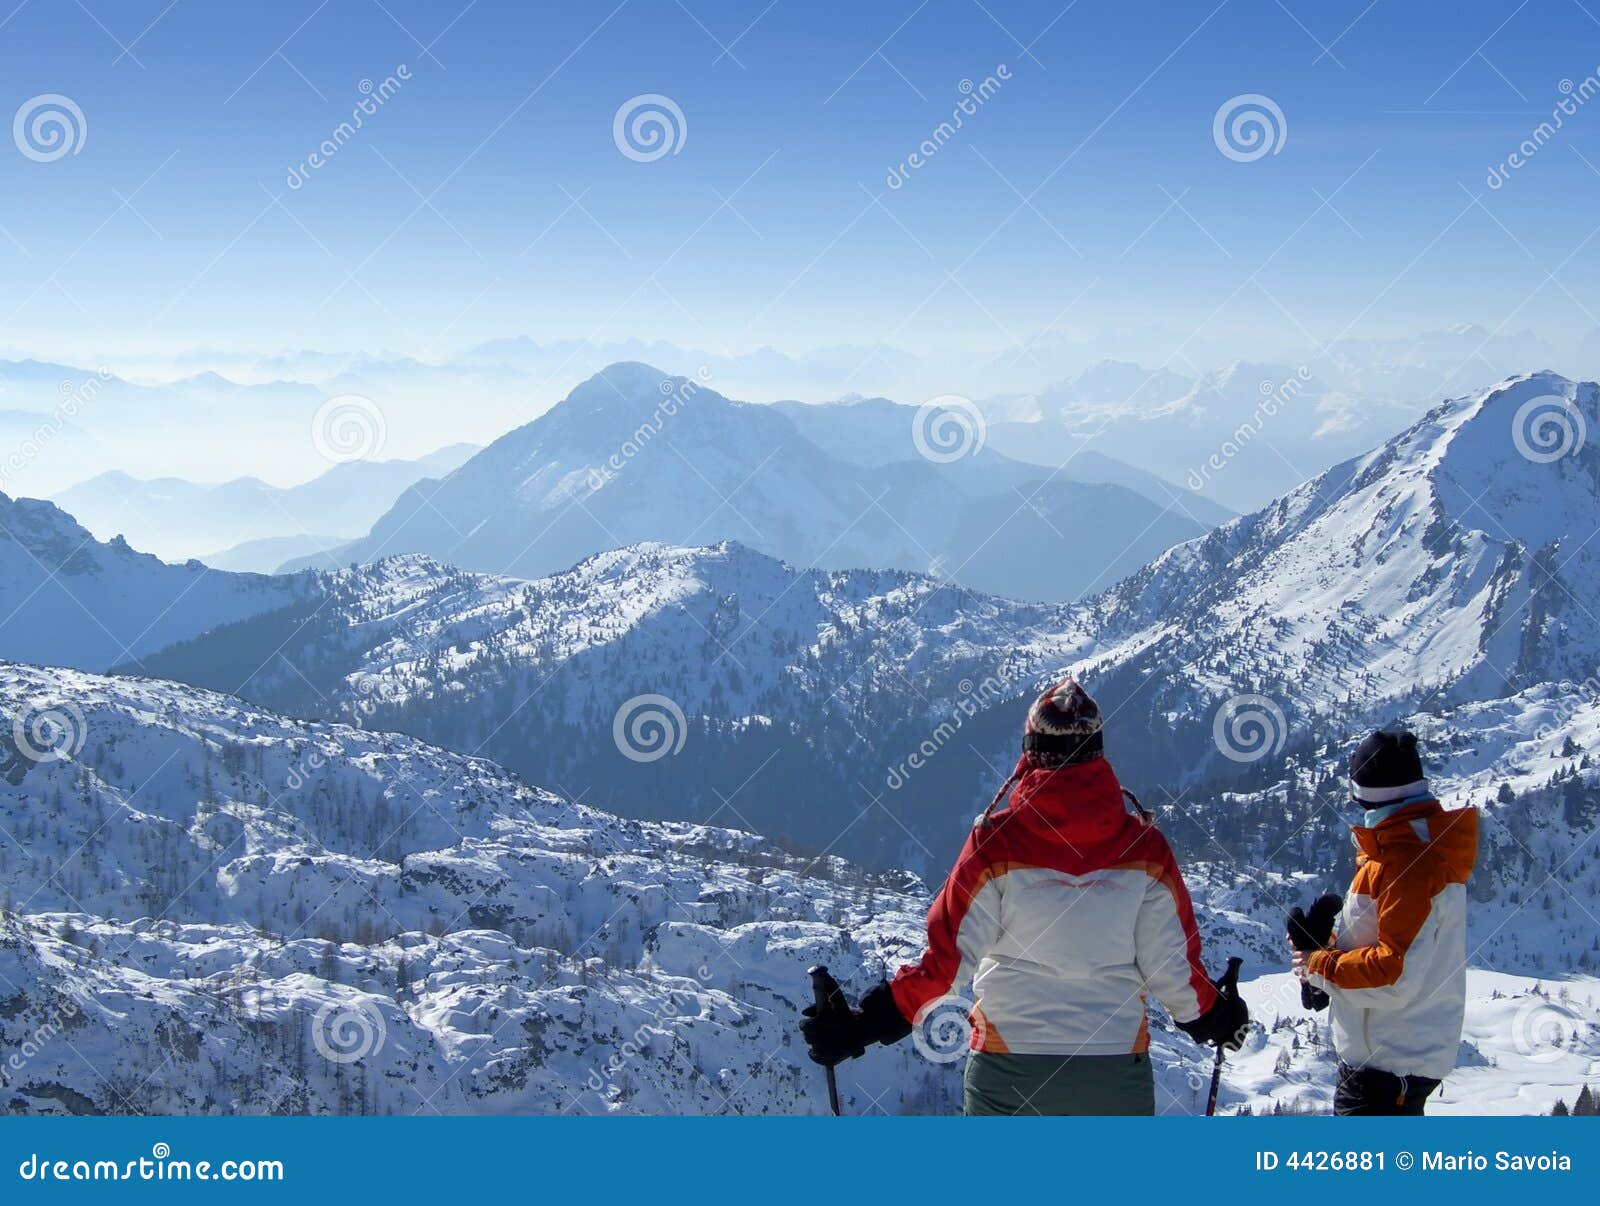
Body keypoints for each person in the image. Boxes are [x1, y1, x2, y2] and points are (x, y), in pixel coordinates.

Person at [800, 677, 1248, 1115]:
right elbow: (1172, 973)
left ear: (1029, 751)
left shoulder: (994, 843)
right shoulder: (1146, 850)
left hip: (1009, 1072)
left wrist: (863, 1025)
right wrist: (1218, 1018)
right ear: (1099, 752)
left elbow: (944, 968)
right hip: (1113, 1074)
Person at [1292, 728, 1479, 1116]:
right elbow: (1388, 946)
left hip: (1386, 1073)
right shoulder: (1398, 852)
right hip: (1385, 1066)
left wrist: (1320, 965)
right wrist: (1326, 954)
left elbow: (1392, 975)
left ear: (1362, 793)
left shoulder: (1406, 862)